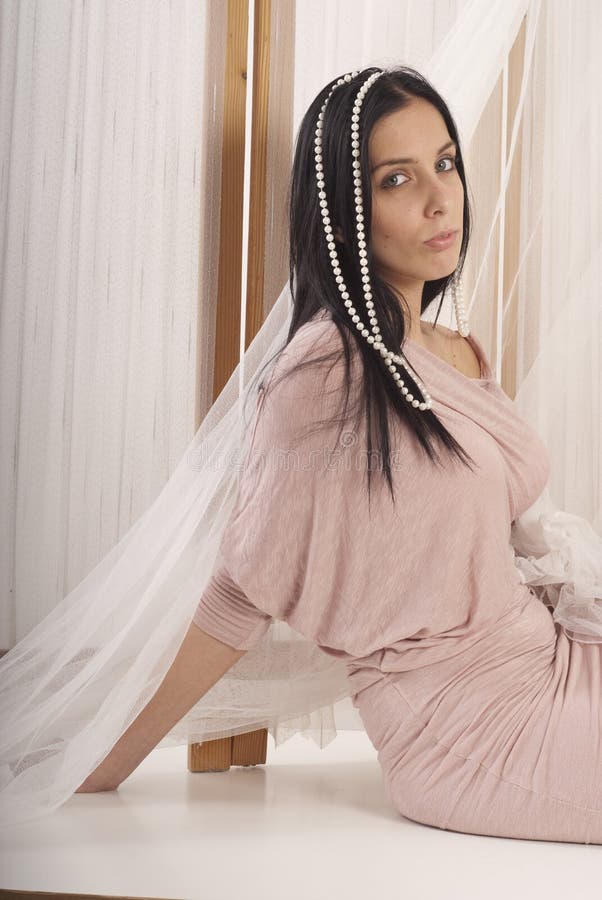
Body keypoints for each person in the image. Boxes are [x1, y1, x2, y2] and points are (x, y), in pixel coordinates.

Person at [6, 66, 602, 842]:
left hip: (552, 667)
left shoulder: (456, 351)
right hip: (472, 730)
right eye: (397, 179)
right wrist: (105, 763)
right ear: (348, 214)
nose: (438, 198)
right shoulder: (326, 375)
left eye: (446, 163)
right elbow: (242, 589)